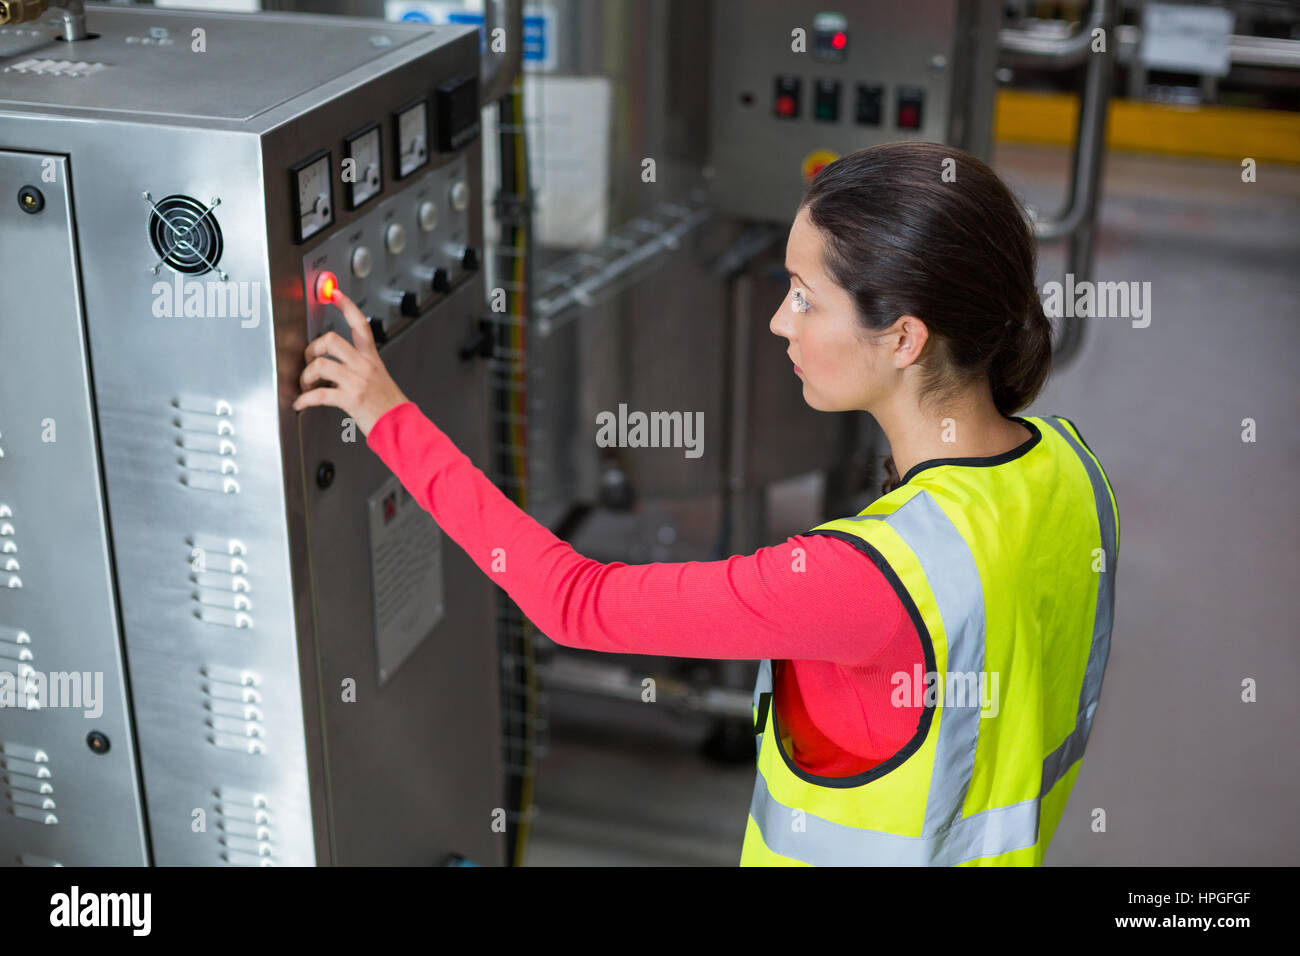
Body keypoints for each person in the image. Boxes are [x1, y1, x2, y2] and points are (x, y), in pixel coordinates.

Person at [293, 141, 1119, 867]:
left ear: (903, 338)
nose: (776, 321)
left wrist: (385, 414)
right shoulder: (1076, 474)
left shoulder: (864, 580)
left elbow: (572, 602)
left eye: (803, 295)